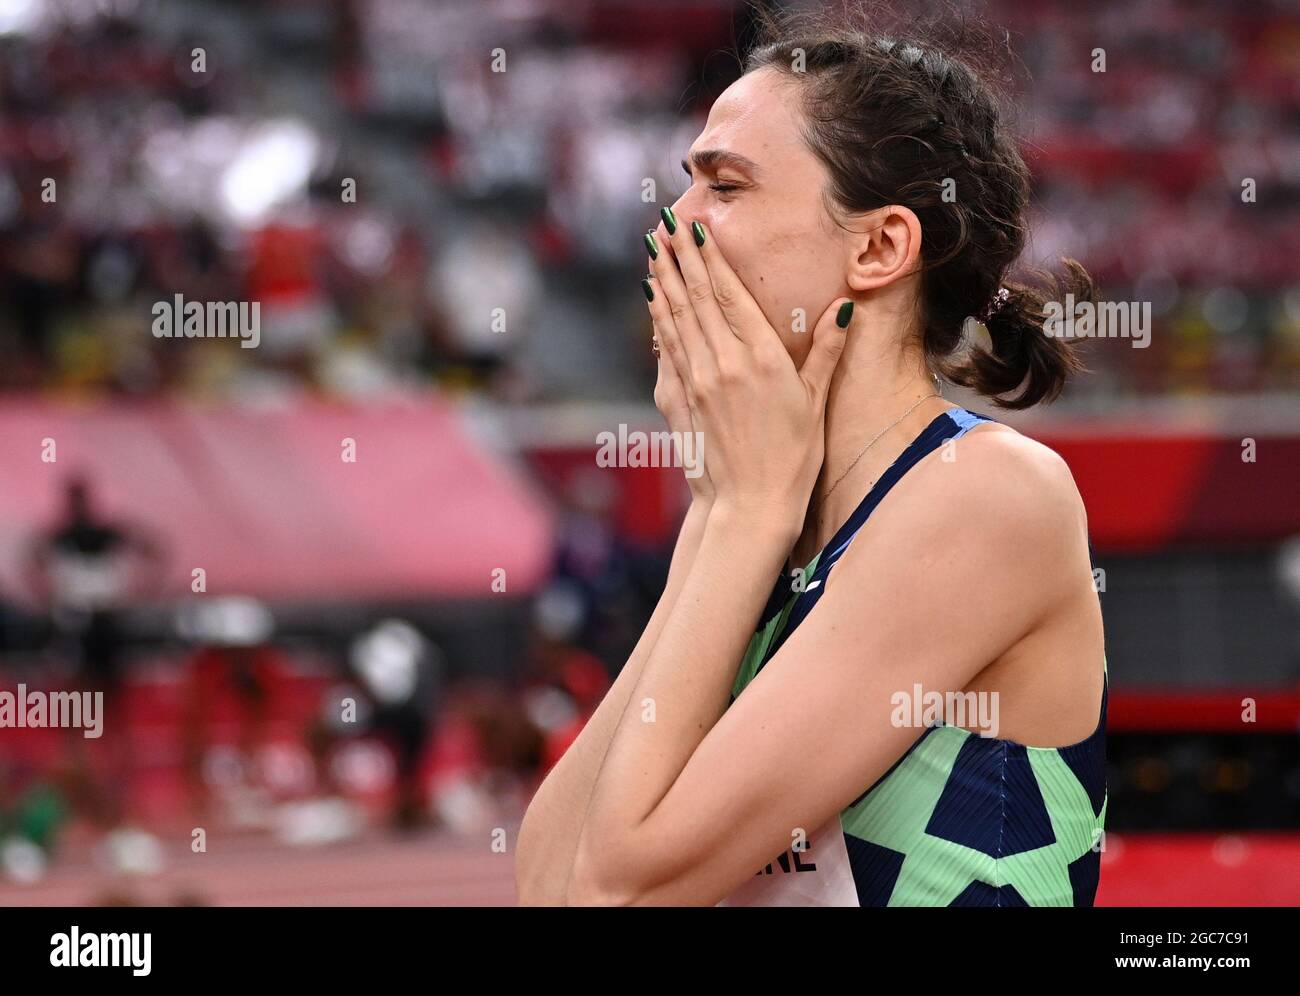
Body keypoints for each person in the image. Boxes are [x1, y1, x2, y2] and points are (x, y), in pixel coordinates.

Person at [515, 7, 1106, 906]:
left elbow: (615, 892)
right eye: (686, 184)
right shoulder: (763, 512)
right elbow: (548, 890)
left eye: (726, 186)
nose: (674, 225)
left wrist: (740, 509)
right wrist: (723, 508)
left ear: (878, 246)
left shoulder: (985, 492)